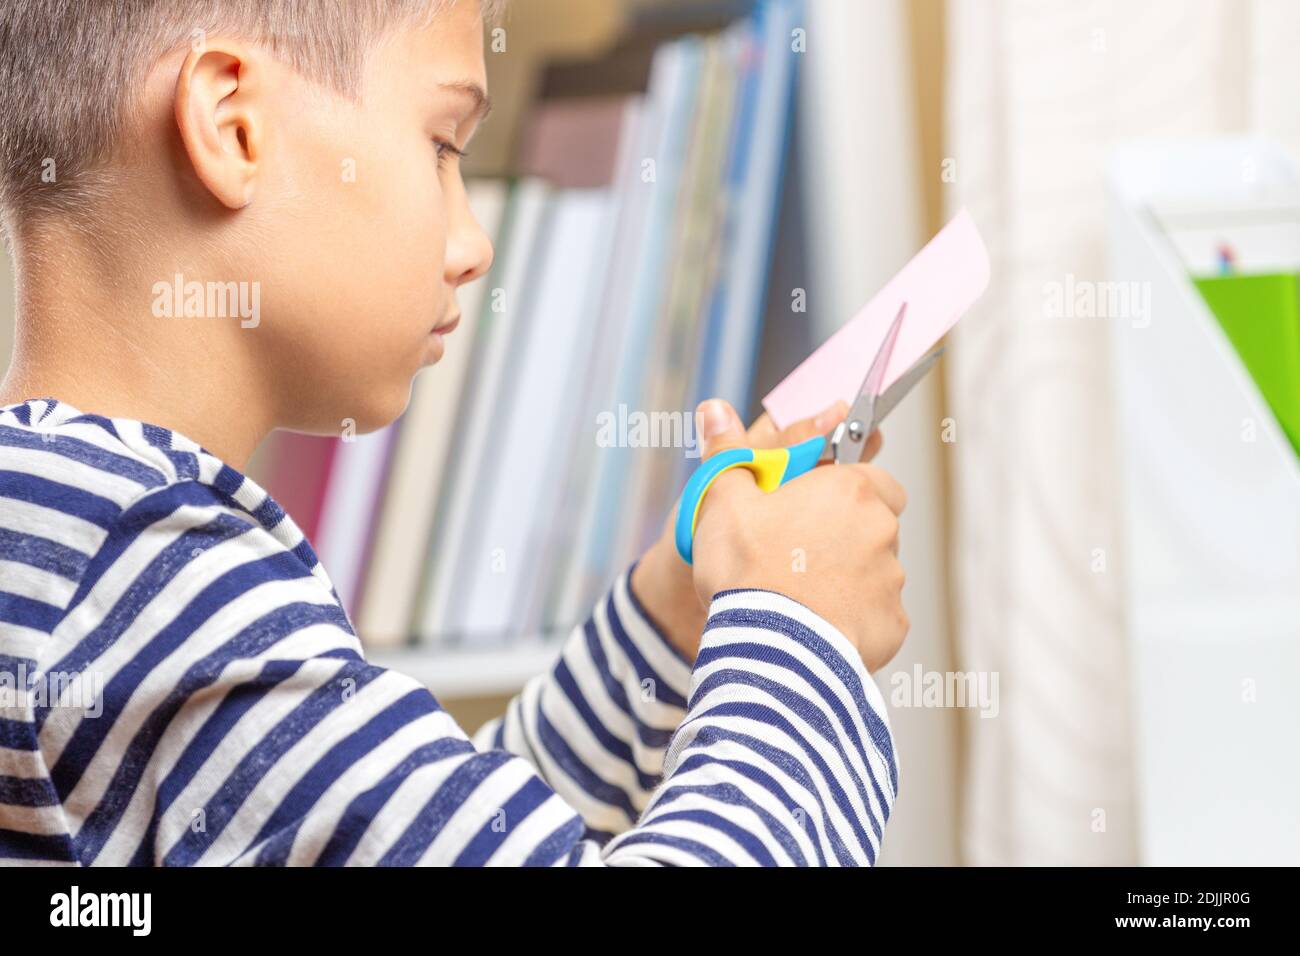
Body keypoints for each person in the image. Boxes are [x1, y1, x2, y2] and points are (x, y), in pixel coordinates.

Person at [0, 0, 908, 866]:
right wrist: (801, 630)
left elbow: (419, 831)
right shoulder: (155, 575)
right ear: (231, 124)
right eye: (441, 146)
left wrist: (673, 611)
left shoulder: (58, 533)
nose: (474, 242)